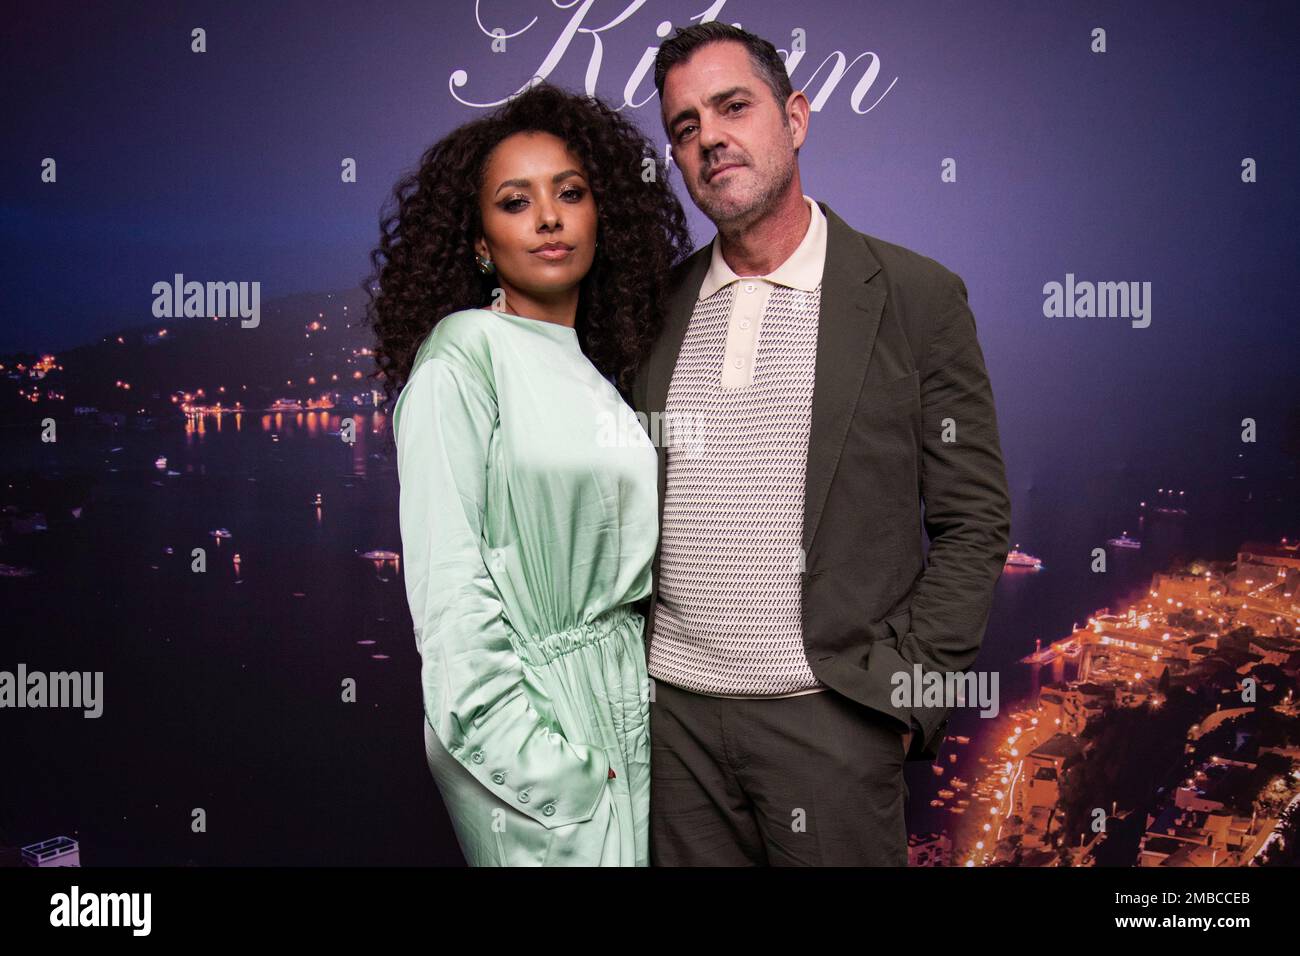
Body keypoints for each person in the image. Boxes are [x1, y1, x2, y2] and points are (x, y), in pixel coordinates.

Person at [631, 23, 1012, 865]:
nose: (710, 139)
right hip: (673, 731)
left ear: (795, 118)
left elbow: (974, 520)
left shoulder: (916, 299)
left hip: (834, 724)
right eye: (686, 126)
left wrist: (900, 697)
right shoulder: (654, 310)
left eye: (734, 107)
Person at [366, 82, 690, 865]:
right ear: (479, 243)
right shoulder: (462, 356)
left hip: (626, 719)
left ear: (600, 216)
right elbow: (449, 604)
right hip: (534, 741)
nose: (548, 217)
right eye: (516, 202)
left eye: (570, 194)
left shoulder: (600, 374)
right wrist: (549, 772)